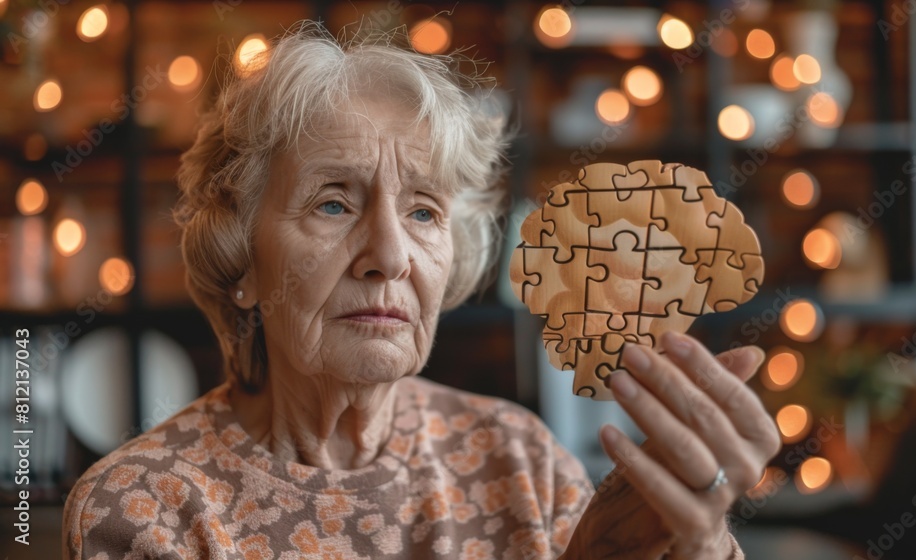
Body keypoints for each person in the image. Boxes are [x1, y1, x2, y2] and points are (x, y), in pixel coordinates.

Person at [62, 22, 780, 559]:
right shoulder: (147, 506)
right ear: (241, 257)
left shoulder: (519, 457)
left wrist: (701, 540)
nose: (389, 256)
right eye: (333, 203)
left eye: (424, 212)